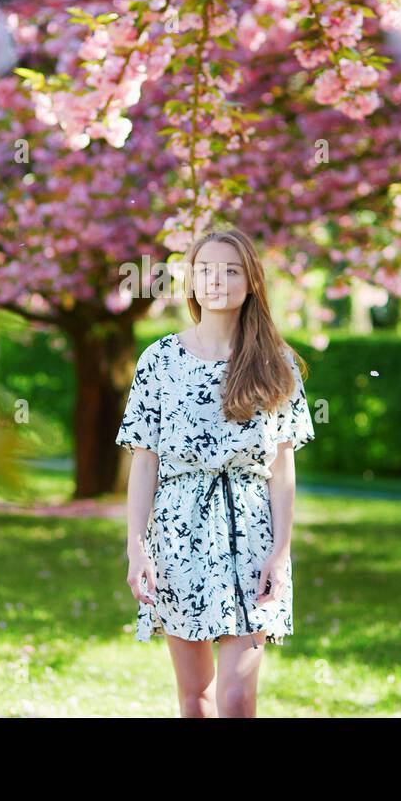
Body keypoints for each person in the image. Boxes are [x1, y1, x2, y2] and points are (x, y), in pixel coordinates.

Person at [116, 227, 316, 718]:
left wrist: (281, 554)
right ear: (190, 279)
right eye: (205, 269)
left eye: (230, 271)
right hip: (178, 532)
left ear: (251, 282)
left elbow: (282, 468)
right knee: (196, 697)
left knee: (236, 696)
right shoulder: (159, 360)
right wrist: (136, 547)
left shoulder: (276, 363)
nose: (216, 281)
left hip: (251, 534)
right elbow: (145, 460)